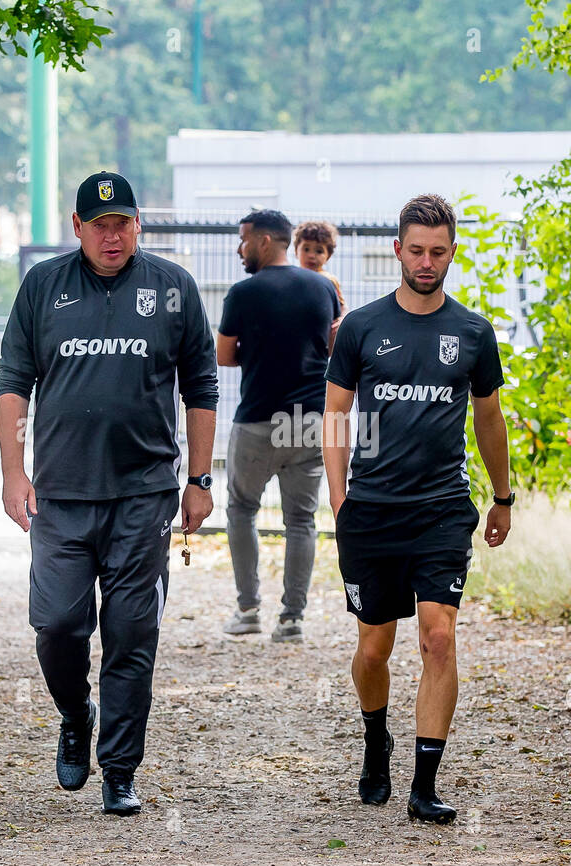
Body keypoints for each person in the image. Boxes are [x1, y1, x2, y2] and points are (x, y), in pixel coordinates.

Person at [0, 170, 218, 816]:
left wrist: (198, 481)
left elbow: (200, 386)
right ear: (77, 229)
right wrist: (13, 472)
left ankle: (120, 770)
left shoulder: (172, 289)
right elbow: (13, 383)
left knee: (130, 631)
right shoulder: (43, 288)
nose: (112, 235)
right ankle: (75, 712)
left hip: (143, 497)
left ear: (138, 224)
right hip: (60, 498)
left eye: (122, 222)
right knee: (58, 625)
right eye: (99, 225)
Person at [323, 193, 513, 824]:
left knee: (438, 638)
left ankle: (424, 783)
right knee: (374, 650)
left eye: (438, 251)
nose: (426, 261)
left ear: (452, 253)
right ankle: (376, 740)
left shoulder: (472, 333)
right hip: (372, 513)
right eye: (417, 249)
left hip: (441, 510)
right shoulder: (361, 328)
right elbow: (334, 415)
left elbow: (488, 417)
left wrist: (502, 495)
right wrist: (339, 496)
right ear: (398, 250)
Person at [216, 209, 341, 643]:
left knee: (241, 509)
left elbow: (224, 355)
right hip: (310, 419)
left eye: (244, 240)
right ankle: (292, 620)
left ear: (266, 242)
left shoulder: (242, 293)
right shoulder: (324, 287)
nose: (239, 248)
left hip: (256, 419)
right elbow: (333, 346)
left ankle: (248, 609)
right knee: (302, 520)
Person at [294, 220, 347, 315]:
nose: (311, 255)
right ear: (296, 251)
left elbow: (342, 306)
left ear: (328, 256)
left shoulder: (329, 280)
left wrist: (342, 318)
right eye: (306, 249)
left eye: (319, 251)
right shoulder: (292, 278)